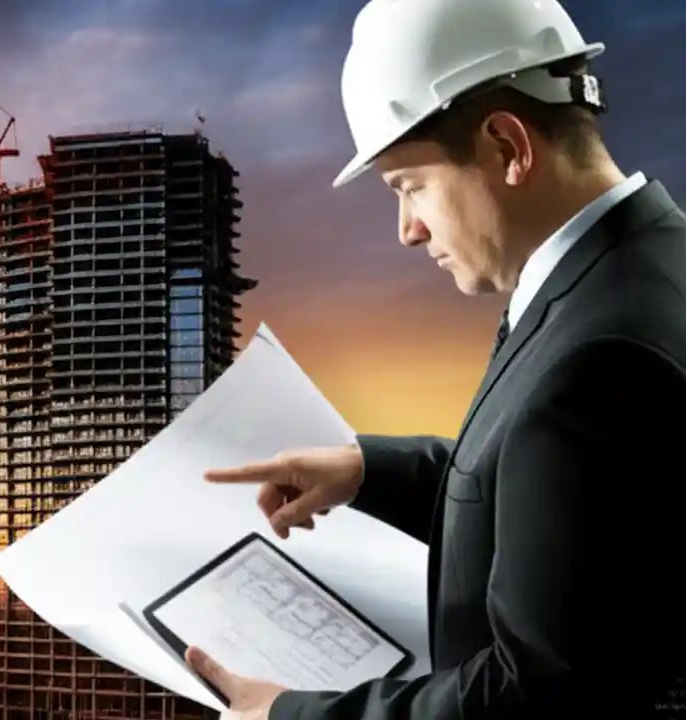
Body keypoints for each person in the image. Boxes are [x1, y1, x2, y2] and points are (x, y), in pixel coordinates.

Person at [183, 0, 686, 718]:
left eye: (409, 187)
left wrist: (286, 713)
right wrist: (371, 472)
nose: (408, 231)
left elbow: (532, 696)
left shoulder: (598, 357)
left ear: (508, 147)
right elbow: (575, 507)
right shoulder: (641, 269)